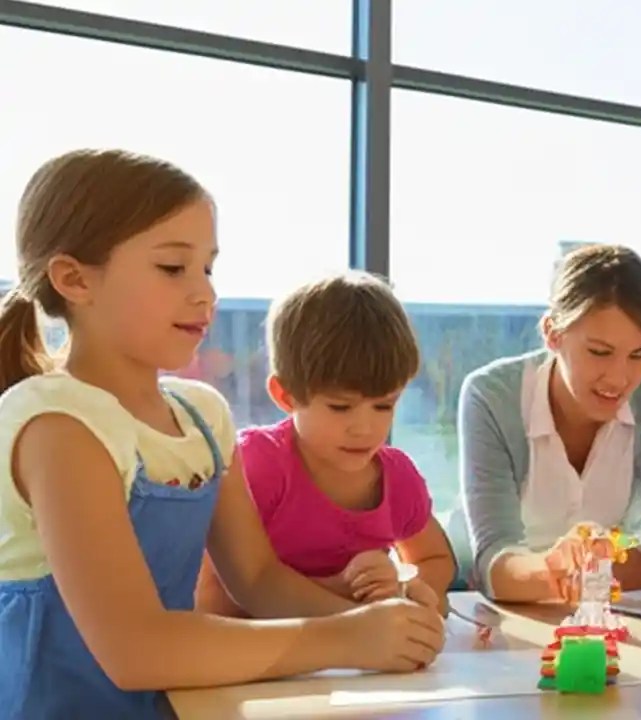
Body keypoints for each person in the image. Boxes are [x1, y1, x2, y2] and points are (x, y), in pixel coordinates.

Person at [0, 150, 442, 719]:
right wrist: (345, 639)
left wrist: (381, 622)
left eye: (208, 267)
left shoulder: (202, 416)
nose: (204, 293)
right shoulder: (58, 426)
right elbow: (136, 649)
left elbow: (258, 579)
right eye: (172, 268)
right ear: (74, 279)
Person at [195, 272, 455, 617]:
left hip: (359, 662)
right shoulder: (257, 467)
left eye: (384, 406)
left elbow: (434, 559)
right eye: (340, 407)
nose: (364, 428)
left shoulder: (397, 479)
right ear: (285, 396)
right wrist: (342, 596)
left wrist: (406, 588)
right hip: (263, 663)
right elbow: (210, 599)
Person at [459, 244, 641, 602]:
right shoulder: (490, 396)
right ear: (553, 334)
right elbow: (494, 557)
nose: (618, 378)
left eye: (638, 355)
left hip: (601, 605)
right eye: (599, 352)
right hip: (484, 602)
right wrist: (558, 571)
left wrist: (592, 574)